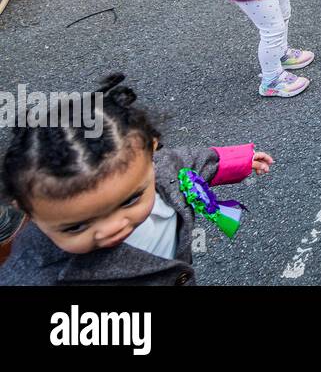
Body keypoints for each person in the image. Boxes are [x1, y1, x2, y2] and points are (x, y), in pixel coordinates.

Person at [0, 73, 270, 285]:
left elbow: (187, 163)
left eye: (130, 200)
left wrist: (238, 161)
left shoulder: (158, 171)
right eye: (75, 227)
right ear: (26, 211)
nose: (111, 228)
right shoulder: (36, 274)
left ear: (152, 151)